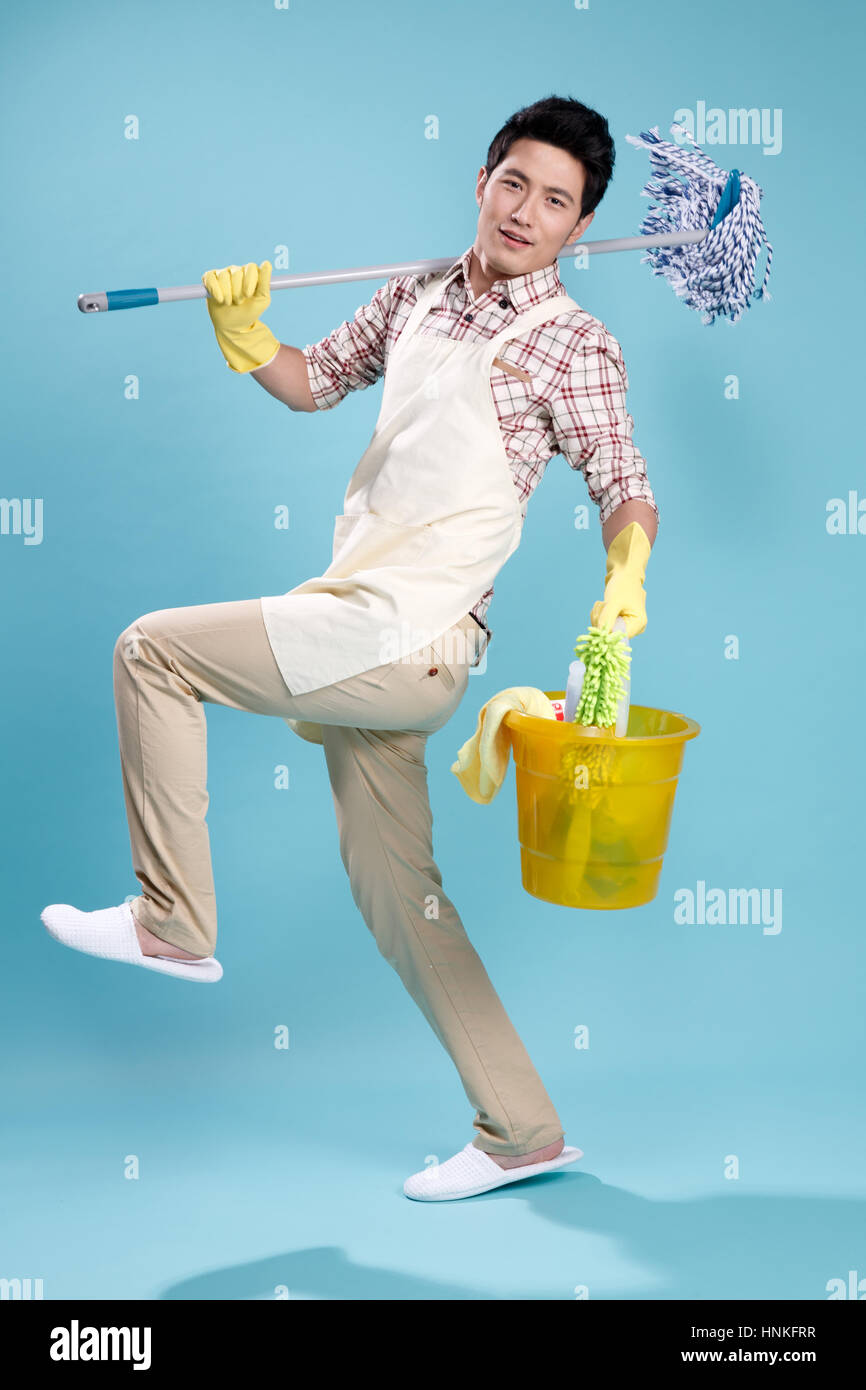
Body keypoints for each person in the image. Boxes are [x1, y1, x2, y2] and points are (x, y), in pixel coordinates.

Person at [41, 95, 658, 1201]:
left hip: (407, 635)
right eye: (513, 182)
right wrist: (243, 338)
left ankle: (171, 920)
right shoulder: (416, 291)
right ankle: (522, 1130)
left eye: (556, 201)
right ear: (481, 180)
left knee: (152, 652)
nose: (526, 211)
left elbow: (623, 484)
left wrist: (625, 577)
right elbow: (311, 381)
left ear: (579, 225)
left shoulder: (573, 343)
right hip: (357, 611)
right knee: (399, 896)